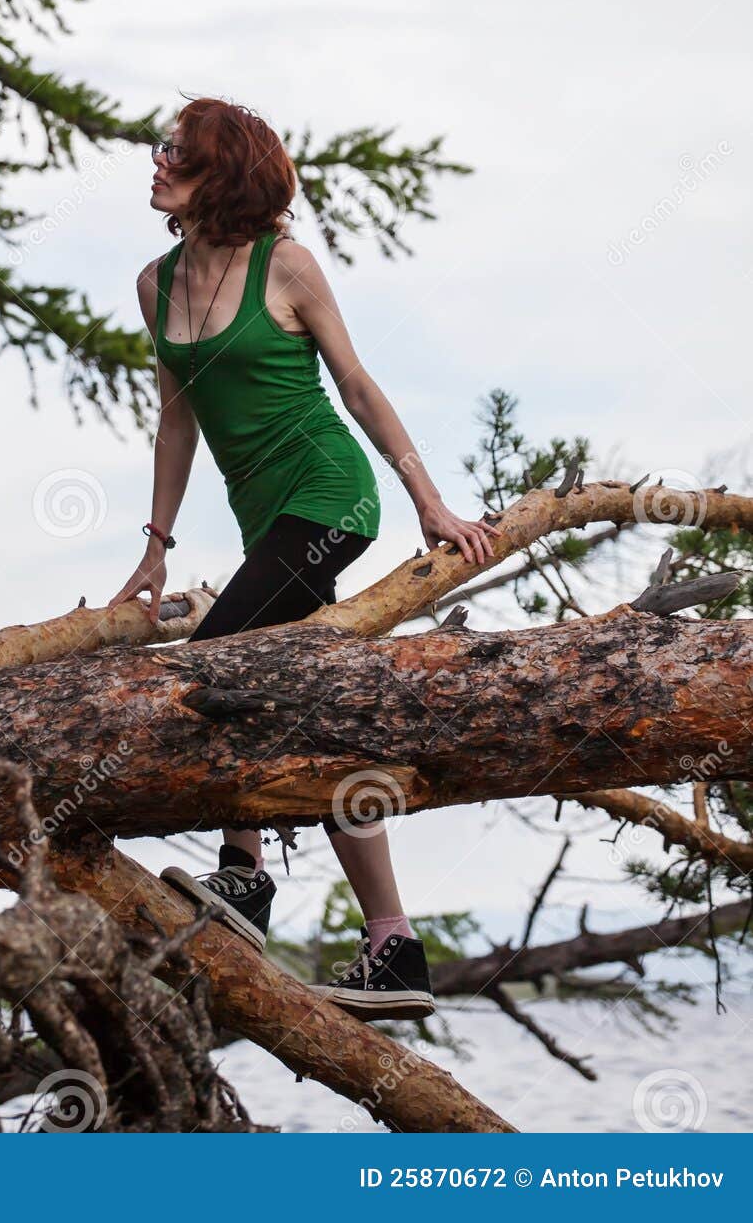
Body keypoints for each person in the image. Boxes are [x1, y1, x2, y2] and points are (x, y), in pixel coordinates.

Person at [107, 96, 494, 1018]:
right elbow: (176, 419)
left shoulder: (284, 266)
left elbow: (355, 383)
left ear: (223, 173)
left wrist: (426, 499)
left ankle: (241, 880)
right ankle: (394, 948)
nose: (156, 163)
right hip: (259, 520)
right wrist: (154, 549)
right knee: (309, 723)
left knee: (221, 669)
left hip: (328, 496)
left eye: (177, 153)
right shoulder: (151, 285)